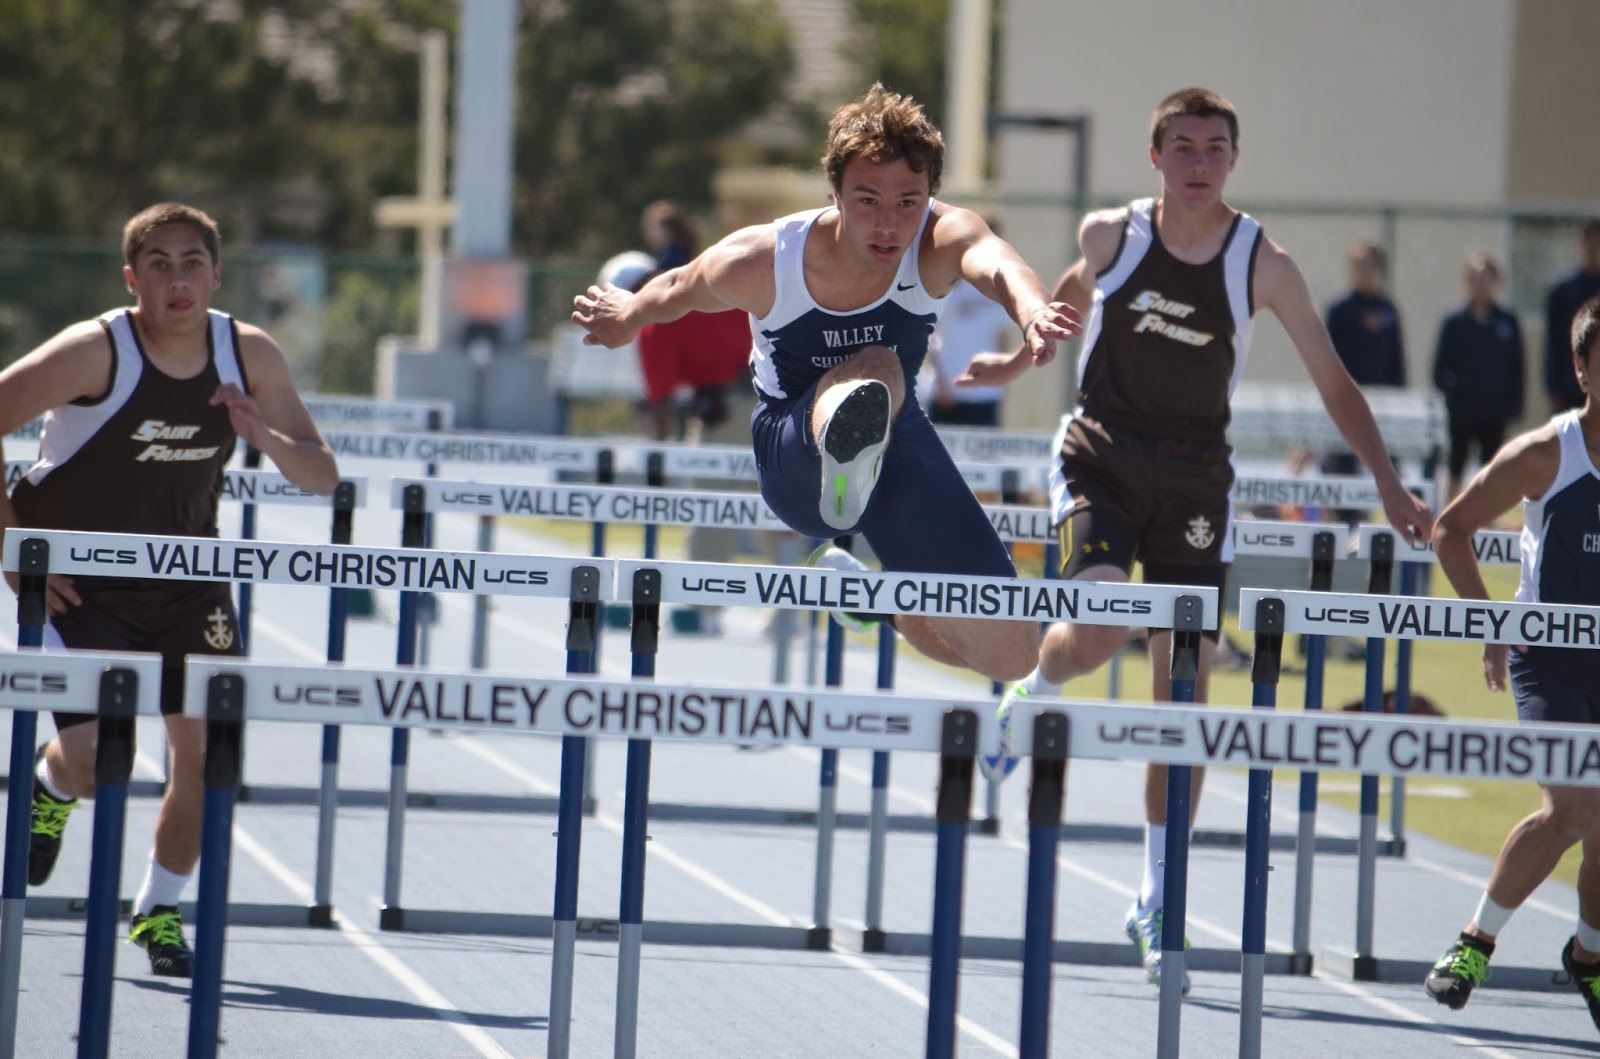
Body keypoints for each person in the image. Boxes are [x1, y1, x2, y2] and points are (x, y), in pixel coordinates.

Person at [972, 87, 1433, 991]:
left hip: (1194, 480)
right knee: (1100, 627)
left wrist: (1387, 481)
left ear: (1231, 158)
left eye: (1213, 147)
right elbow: (1064, 305)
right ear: (1155, 157)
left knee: (1180, 705)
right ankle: (1035, 684)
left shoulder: (1267, 264)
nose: (1196, 160)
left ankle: (1155, 896)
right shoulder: (1112, 236)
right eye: (1180, 145)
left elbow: (1335, 383)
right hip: (1100, 457)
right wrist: (1018, 356)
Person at [573, 83, 1081, 680]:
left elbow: (1000, 264)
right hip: (792, 454)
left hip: (897, 444)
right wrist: (627, 315)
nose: (889, 225)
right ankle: (844, 458)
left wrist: (1033, 313)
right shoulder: (768, 259)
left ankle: (873, 603)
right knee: (881, 366)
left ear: (930, 198)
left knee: (1014, 655)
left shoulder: (941, 238)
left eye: (908, 203)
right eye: (868, 200)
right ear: (834, 193)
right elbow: (679, 287)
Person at [0, 203, 338, 976]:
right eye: (159, 262)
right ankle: (56, 782)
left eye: (193, 263)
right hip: (79, 585)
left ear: (218, 276)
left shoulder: (249, 353)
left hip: (188, 582)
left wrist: (265, 438)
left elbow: (322, 475)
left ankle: (156, 909)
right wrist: (15, 551)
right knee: (94, 762)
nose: (177, 279)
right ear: (132, 278)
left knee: (209, 752)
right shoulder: (95, 351)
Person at [1420, 294, 1600, 1035]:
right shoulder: (1545, 454)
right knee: (1574, 807)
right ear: (1583, 369)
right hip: (1549, 658)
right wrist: (1490, 622)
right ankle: (1473, 944)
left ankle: (1590, 955)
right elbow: (1450, 529)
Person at [631, 202, 761, 636]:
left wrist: (658, 455)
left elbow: (659, 400)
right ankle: (789, 611)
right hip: (777, 401)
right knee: (782, 507)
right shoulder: (707, 272)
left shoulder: (652, 313)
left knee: (710, 509)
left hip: (724, 411)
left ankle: (700, 605)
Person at [1432, 253, 1526, 503]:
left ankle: (1486, 521)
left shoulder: (1507, 321)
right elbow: (1440, 367)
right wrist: (1454, 392)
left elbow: (1517, 368)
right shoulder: (1454, 321)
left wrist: (1514, 405)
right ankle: (1449, 515)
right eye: (1474, 278)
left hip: (1494, 411)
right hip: (1462, 410)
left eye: (1486, 278)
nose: (1480, 284)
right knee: (1456, 465)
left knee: (1492, 468)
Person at [925, 212, 1018, 427]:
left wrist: (1001, 381)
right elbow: (930, 335)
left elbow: (1000, 337)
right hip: (946, 393)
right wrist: (940, 383)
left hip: (985, 395)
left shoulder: (1001, 288)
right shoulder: (947, 283)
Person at [1543, 219, 1600, 414]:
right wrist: (1553, 388)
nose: (1593, 247)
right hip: (1569, 384)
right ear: (1580, 244)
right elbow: (1553, 342)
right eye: (1589, 241)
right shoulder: (1563, 290)